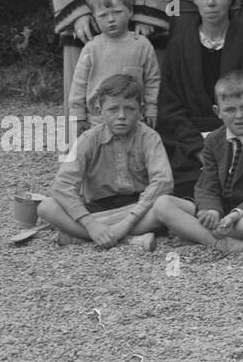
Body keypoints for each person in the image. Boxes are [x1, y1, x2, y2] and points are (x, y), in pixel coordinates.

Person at [156, 0, 243, 195]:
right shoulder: (179, 46)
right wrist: (200, 149)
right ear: (194, 0)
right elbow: (169, 109)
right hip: (192, 146)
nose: (211, 2)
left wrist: (234, 142)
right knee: (188, 194)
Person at [152, 69, 243, 254]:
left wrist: (236, 214)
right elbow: (207, 184)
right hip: (220, 213)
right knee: (163, 204)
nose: (239, 115)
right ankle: (223, 243)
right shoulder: (212, 141)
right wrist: (210, 209)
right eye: (230, 109)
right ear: (218, 112)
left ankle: (200, 236)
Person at [40, 74, 172, 251]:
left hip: (137, 206)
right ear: (99, 110)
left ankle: (80, 236)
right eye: (113, 109)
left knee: (168, 205)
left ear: (141, 110)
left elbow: (163, 182)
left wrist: (127, 222)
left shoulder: (149, 138)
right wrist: (90, 224)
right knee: (46, 207)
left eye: (130, 109)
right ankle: (128, 239)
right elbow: (61, 185)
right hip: (97, 208)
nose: (122, 116)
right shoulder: (88, 139)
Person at [67, 0, 160, 133]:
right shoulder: (91, 48)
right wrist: (78, 115)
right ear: (94, 17)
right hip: (97, 122)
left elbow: (152, 80)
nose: (110, 19)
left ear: (129, 11)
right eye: (103, 15)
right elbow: (79, 84)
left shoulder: (142, 45)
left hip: (134, 121)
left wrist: (151, 110)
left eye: (117, 12)